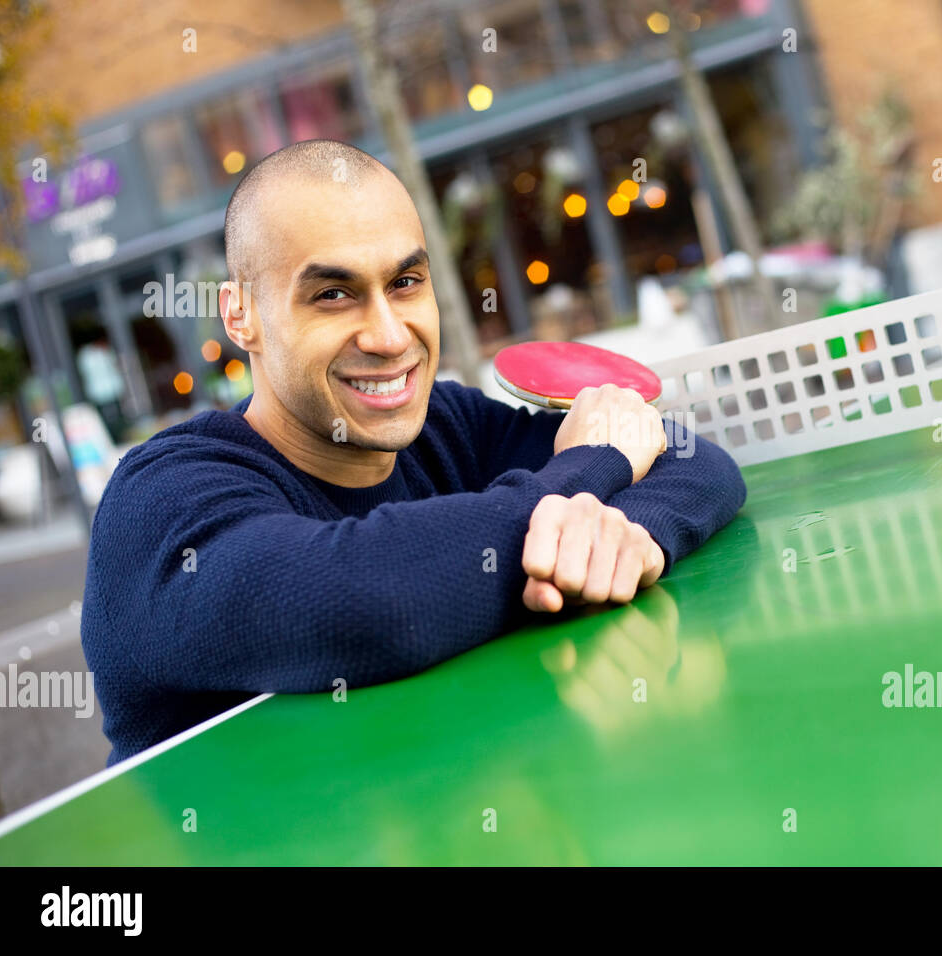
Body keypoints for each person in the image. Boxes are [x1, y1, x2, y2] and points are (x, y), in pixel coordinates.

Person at [81, 140, 747, 765]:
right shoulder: (161, 498)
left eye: (405, 283)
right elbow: (362, 603)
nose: (388, 335)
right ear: (240, 315)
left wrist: (623, 537)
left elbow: (693, 458)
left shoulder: (444, 425)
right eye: (332, 294)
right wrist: (590, 469)